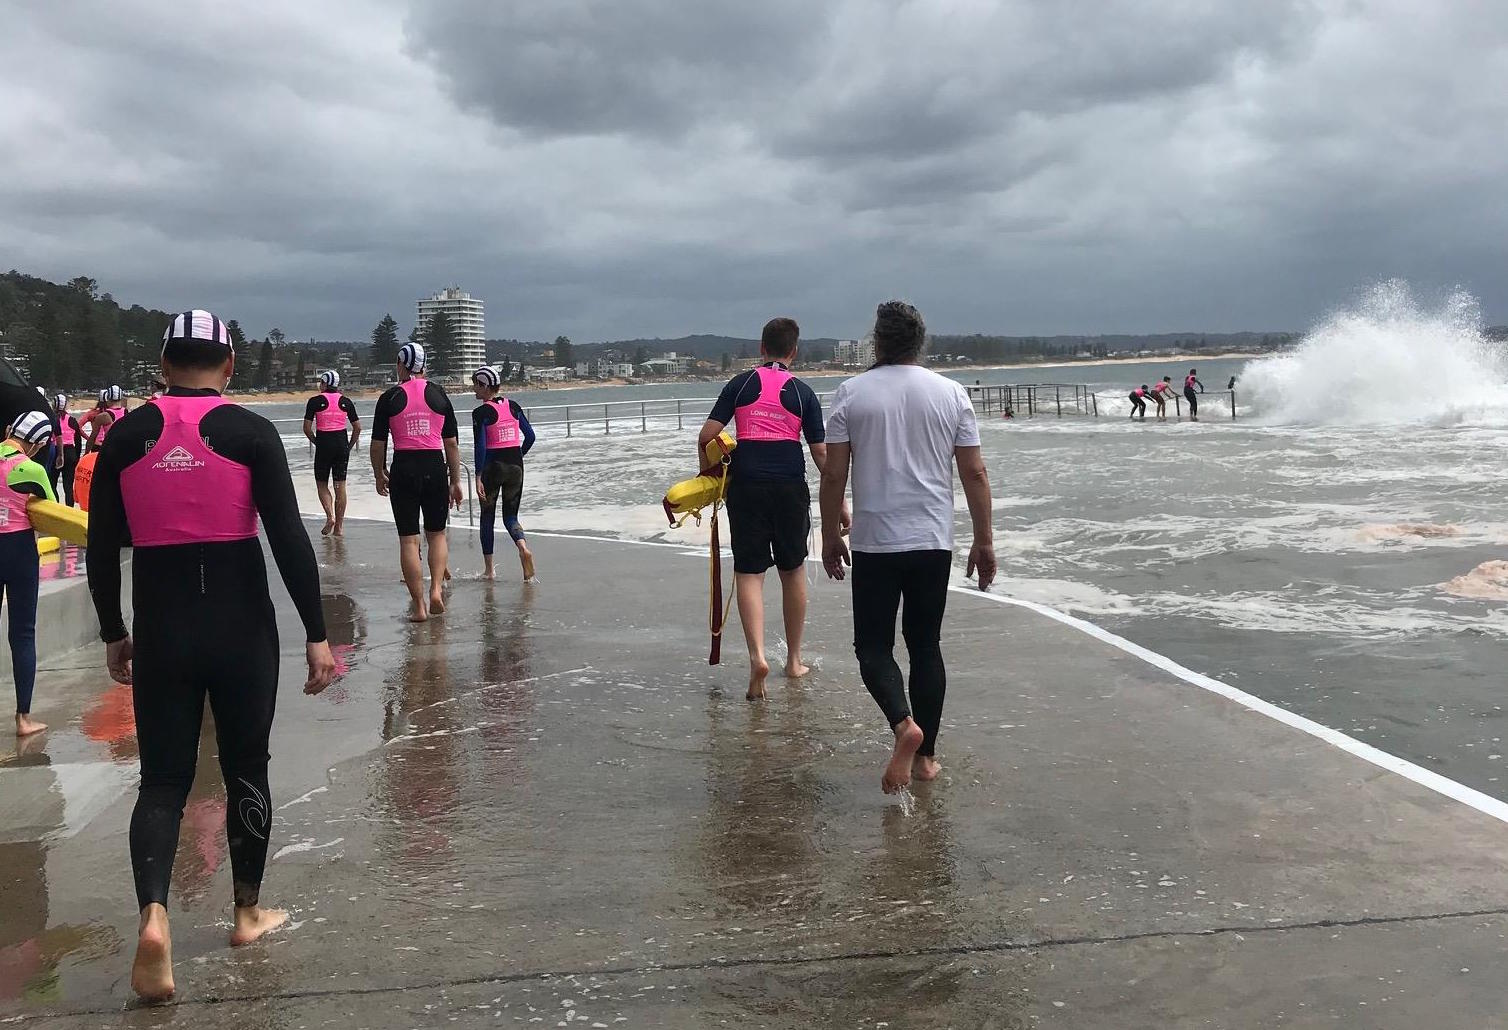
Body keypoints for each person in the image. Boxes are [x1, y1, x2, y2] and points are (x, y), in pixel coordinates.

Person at [86, 309, 336, 1003]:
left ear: (163, 365)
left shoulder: (126, 437)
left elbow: (102, 548)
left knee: (163, 782)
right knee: (245, 766)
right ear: (228, 368)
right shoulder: (250, 432)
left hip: (162, 629)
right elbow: (289, 539)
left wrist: (114, 630)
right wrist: (316, 633)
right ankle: (248, 914)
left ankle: (155, 915)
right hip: (241, 628)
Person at [820, 301, 997, 794]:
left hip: (876, 542)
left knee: (873, 647)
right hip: (932, 540)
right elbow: (974, 472)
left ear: (876, 340)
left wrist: (831, 532)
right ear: (921, 341)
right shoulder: (951, 393)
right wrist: (984, 540)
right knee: (925, 646)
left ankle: (903, 726)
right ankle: (926, 760)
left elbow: (835, 473)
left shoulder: (851, 394)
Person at [699, 318, 832, 700]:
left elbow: (708, 435)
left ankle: (757, 657)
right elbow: (821, 454)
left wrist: (708, 478)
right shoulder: (805, 393)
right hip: (790, 486)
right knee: (792, 571)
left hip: (747, 486)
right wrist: (838, 502)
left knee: (750, 573)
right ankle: (793, 660)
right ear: (794, 351)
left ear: (761, 347)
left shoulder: (738, 385)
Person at [370, 342, 462, 622]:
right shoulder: (439, 395)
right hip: (435, 466)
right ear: (424, 366)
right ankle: (435, 589)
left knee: (409, 540)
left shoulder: (390, 397)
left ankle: (419, 606)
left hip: (404, 467)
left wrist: (379, 473)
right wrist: (456, 480)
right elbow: (452, 445)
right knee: (436, 534)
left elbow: (377, 444)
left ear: (401, 365)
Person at [2, 412, 57, 737]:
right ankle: (23, 718)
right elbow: (49, 511)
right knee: (22, 634)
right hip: (17, 550)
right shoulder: (32, 469)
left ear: (10, 429)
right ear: (37, 444)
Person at [471, 365, 537, 582]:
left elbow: (480, 446)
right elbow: (530, 436)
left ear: (485, 386)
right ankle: (523, 547)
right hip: (516, 466)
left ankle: (489, 570)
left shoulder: (481, 413)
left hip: (493, 467)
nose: (474, 390)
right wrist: (518, 456)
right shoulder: (514, 406)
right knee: (511, 516)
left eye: (476, 385)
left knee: (487, 518)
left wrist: (478, 475)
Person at [302, 370, 361, 537]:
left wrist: (317, 442)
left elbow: (306, 428)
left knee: (322, 483)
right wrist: (348, 446)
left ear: (325, 384)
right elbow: (358, 427)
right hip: (341, 445)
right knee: (340, 486)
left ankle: (330, 516)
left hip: (324, 445)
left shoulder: (315, 401)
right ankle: (339, 528)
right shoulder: (346, 402)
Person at [51, 394, 82, 505]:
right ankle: (69, 510)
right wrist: (77, 457)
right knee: (68, 486)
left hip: (56, 452)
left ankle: (56, 508)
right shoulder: (72, 420)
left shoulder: (51, 419)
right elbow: (78, 441)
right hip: (70, 453)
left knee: (52, 484)